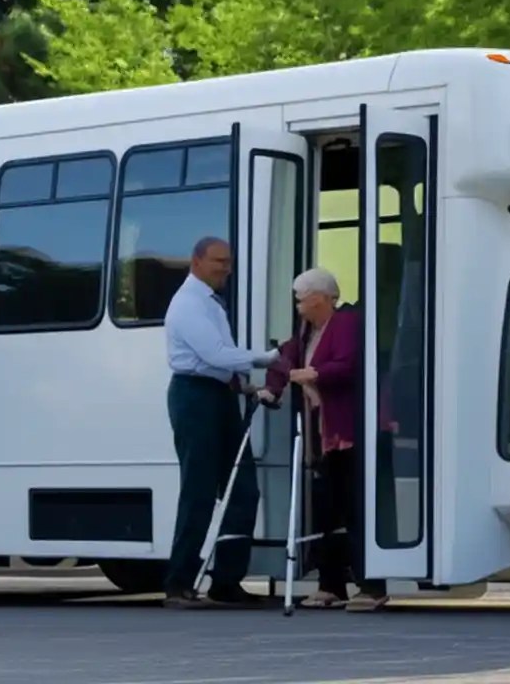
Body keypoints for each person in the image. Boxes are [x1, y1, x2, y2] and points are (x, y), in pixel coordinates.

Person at [262, 267, 389, 612]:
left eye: (301, 297)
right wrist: (272, 390)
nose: (297, 303)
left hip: (349, 432)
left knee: (355, 510)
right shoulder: (306, 331)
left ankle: (371, 584)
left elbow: (349, 365)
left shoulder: (346, 323)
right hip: (322, 436)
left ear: (320, 298)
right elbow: (285, 359)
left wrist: (315, 374)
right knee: (327, 512)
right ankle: (331, 585)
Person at [163, 236, 278, 609]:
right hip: (194, 398)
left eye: (228, 262)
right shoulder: (187, 304)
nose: (225, 268)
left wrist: (243, 387)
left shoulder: (210, 302)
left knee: (242, 490)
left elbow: (216, 362)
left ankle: (226, 581)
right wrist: (269, 358)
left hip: (218, 394)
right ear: (196, 261)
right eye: (218, 261)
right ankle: (179, 583)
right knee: (198, 491)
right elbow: (213, 353)